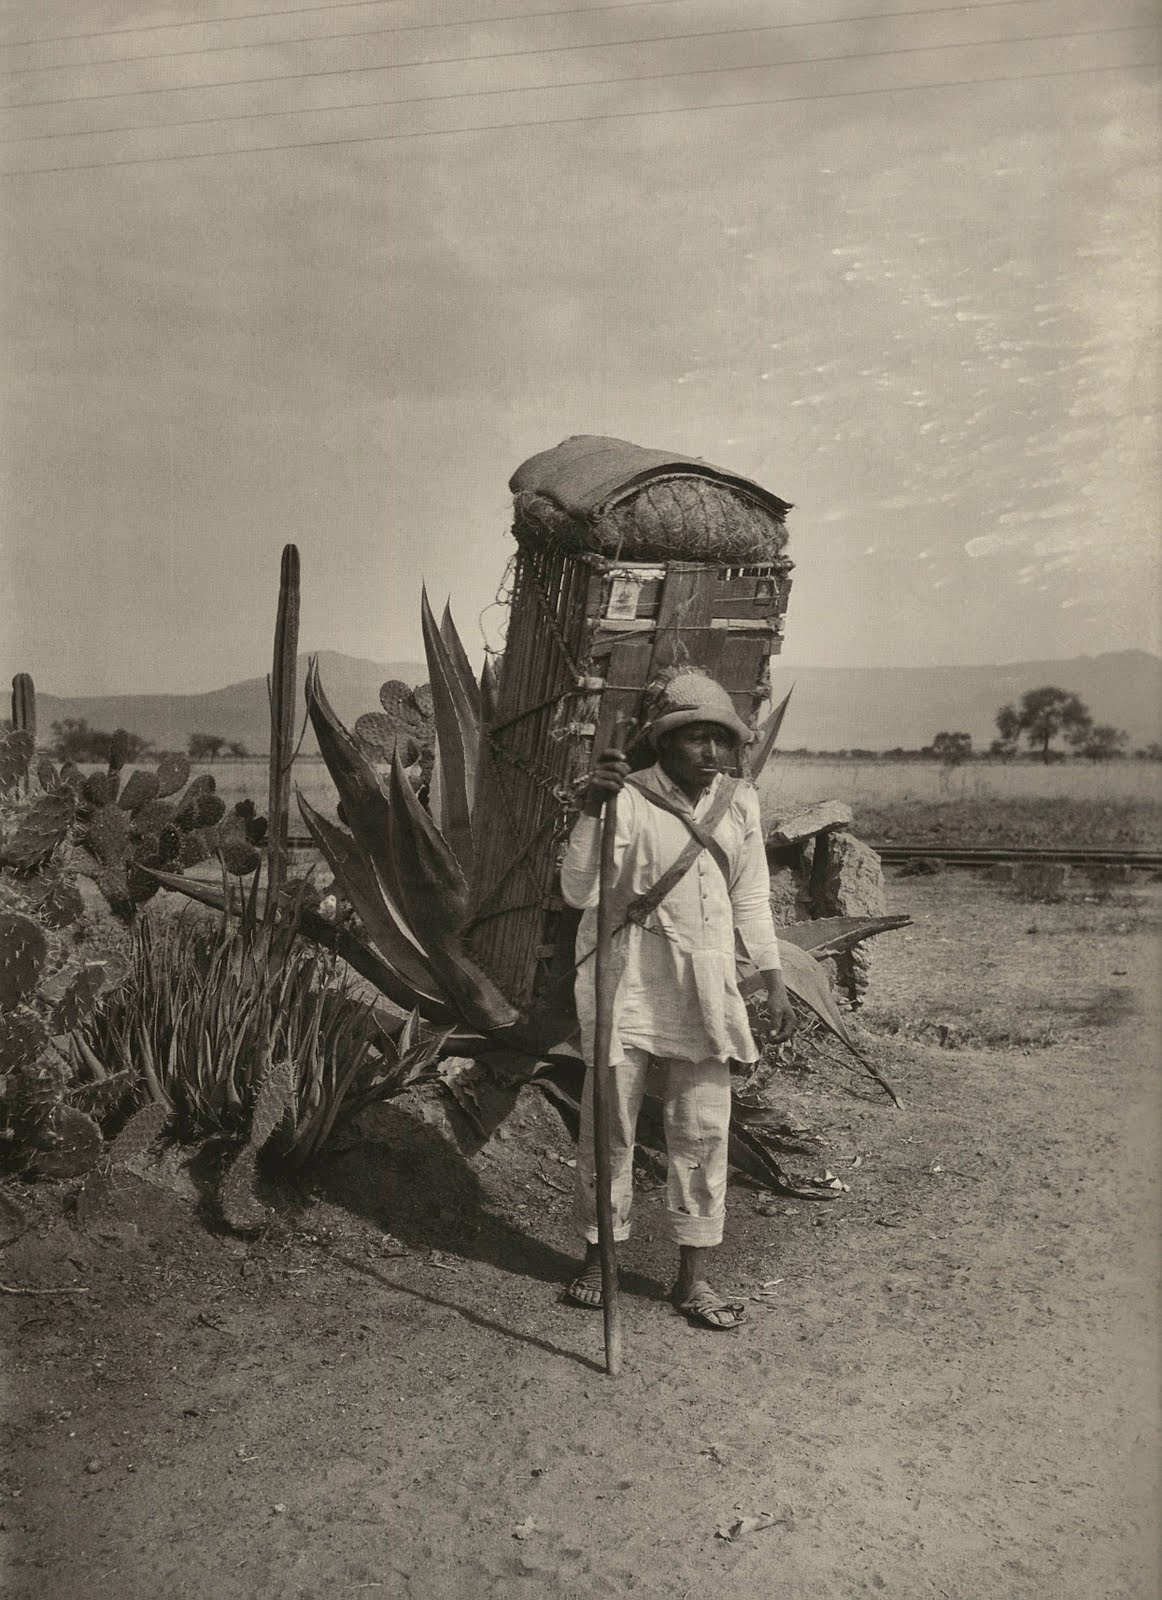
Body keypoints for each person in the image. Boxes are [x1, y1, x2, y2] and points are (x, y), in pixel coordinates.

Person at [559, 669, 796, 1331]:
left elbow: (750, 896)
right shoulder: (624, 801)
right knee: (609, 1128)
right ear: (660, 744)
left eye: (719, 739)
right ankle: (598, 1257)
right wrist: (589, 812)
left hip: (705, 990)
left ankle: (693, 1279)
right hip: (627, 982)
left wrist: (773, 977)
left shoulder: (740, 804)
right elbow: (579, 892)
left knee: (702, 1131)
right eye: (693, 738)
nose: (709, 753)